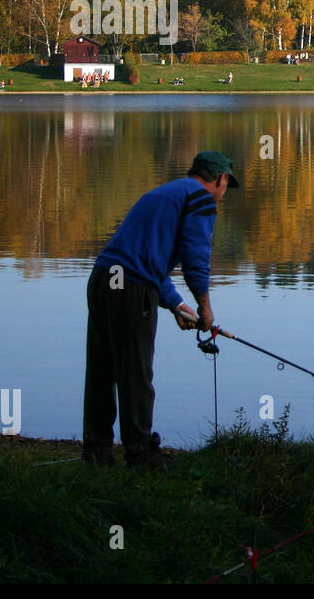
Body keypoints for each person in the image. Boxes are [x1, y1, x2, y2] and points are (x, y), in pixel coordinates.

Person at [83, 151, 239, 468]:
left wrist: (176, 305)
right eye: (226, 185)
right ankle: (140, 453)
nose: (223, 195)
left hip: (103, 279)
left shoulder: (164, 193)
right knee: (136, 373)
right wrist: (205, 308)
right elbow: (195, 256)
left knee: (102, 371)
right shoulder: (202, 200)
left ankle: (97, 451)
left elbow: (142, 258)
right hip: (129, 286)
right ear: (220, 179)